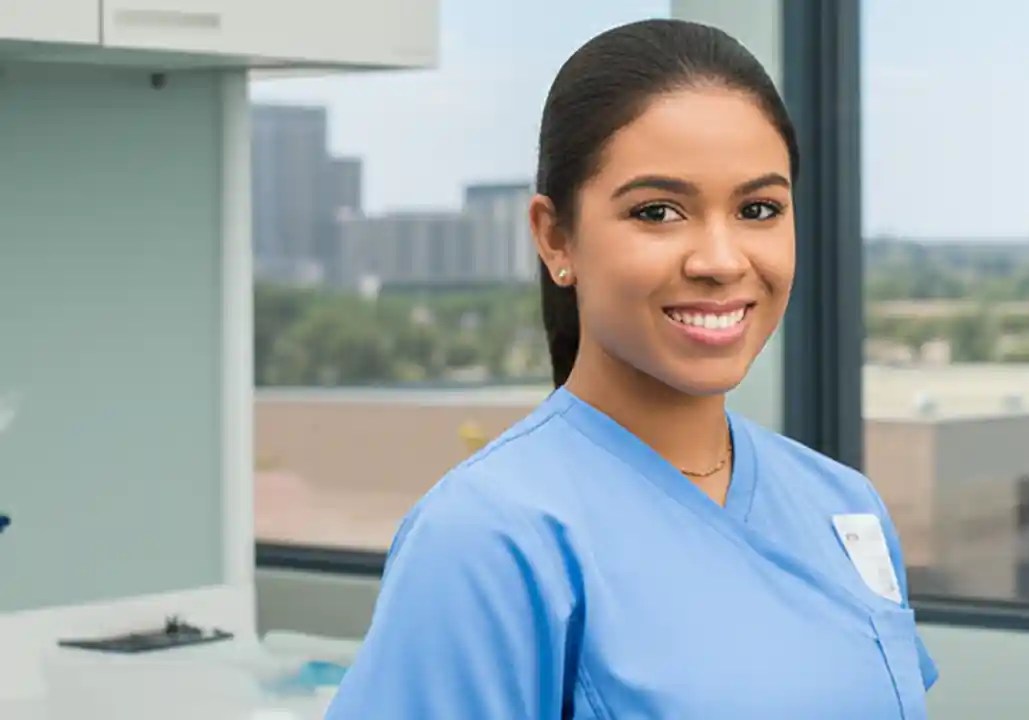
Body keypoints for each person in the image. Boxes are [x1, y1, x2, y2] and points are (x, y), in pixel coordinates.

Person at [326, 18, 937, 719]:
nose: (720, 259)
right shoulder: (489, 538)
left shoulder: (841, 506)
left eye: (758, 209)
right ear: (557, 237)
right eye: (658, 211)